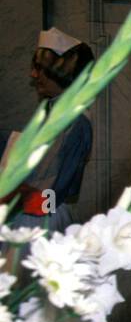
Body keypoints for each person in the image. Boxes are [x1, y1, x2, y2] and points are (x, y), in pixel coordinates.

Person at [1, 28, 95, 232]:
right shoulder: (55, 115)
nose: (32, 75)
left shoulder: (75, 122)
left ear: (61, 70)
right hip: (30, 219)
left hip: (40, 224)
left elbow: (50, 197)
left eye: (39, 68)